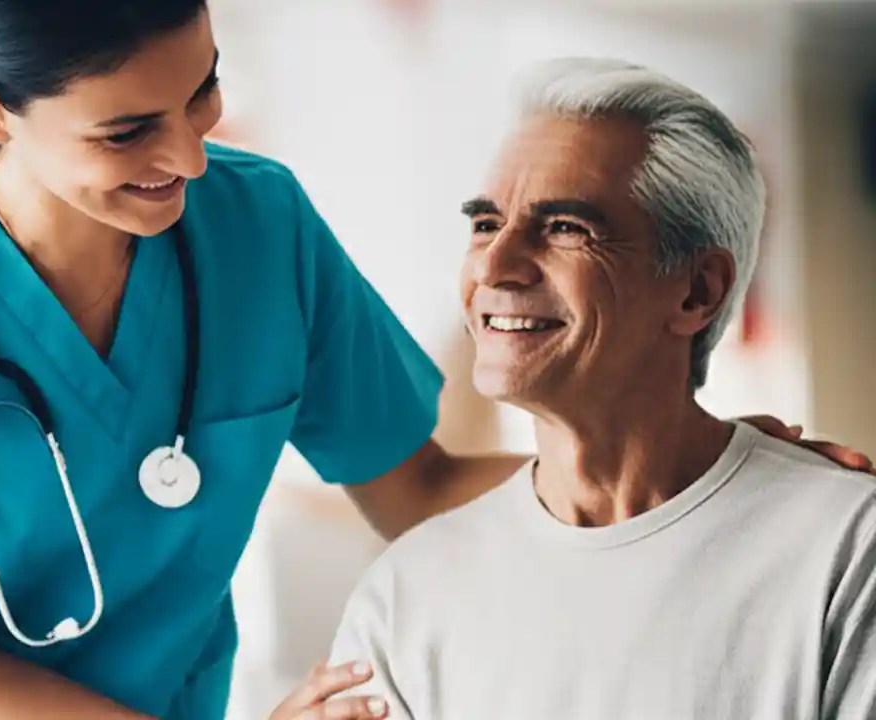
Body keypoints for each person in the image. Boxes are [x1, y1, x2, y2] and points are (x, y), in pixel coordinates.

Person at [0, 0, 869, 715]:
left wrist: (698, 470)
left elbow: (421, 485)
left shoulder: (257, 225)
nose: (189, 155)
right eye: (126, 132)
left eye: (202, 91)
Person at [328, 57, 876, 719]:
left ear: (697, 291)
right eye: (484, 224)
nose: (495, 265)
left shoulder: (847, 546)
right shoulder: (405, 594)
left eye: (565, 228)